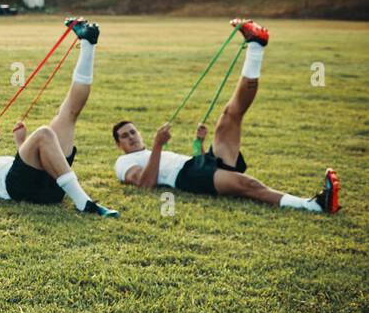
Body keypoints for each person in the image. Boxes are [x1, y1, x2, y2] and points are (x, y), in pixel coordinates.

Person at [112, 19, 339, 212]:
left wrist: (199, 144)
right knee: (246, 184)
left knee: (230, 116)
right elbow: (145, 185)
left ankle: (255, 45)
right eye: (124, 136)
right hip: (187, 177)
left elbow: (192, 161)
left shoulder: (150, 152)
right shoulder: (123, 163)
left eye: (133, 131)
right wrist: (158, 145)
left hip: (198, 164)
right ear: (118, 144)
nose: (131, 137)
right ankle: (314, 205)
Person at [0, 18, 119, 217]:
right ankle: (85, 203)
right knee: (44, 133)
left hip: (50, 189)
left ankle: (88, 43)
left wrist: (21, 142)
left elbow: (29, 166)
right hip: (20, 189)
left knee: (68, 114)